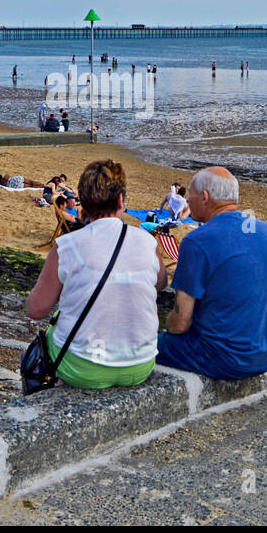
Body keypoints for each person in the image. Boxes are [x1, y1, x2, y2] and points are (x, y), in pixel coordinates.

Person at [25, 159, 165, 388]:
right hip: (139, 365)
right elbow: (159, 284)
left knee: (52, 334)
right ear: (120, 200)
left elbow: (35, 309)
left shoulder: (66, 246)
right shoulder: (147, 242)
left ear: (83, 203)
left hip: (83, 367)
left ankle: (60, 385)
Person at [156, 167, 267, 381]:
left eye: (190, 194)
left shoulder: (197, 241)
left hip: (227, 358)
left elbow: (180, 324)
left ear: (205, 197)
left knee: (146, 347)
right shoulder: (264, 230)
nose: (188, 200)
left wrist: (165, 328)